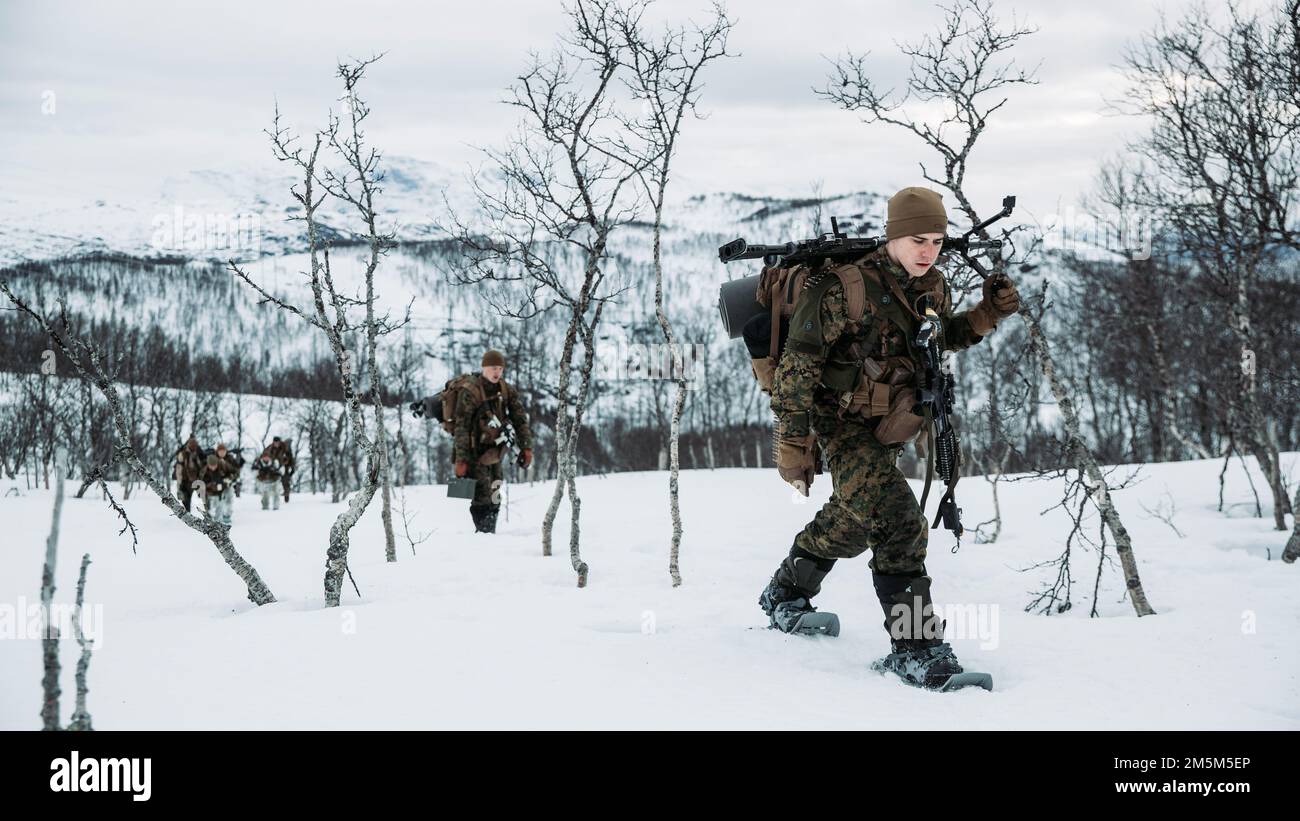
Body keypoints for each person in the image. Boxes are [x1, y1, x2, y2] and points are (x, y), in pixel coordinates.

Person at [761, 186, 1021, 688]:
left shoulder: (934, 286)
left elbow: (941, 339)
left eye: (938, 242)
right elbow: (797, 368)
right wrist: (792, 445)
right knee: (900, 523)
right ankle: (916, 648)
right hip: (840, 425)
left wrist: (989, 314)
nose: (928, 252)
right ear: (894, 235)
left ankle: (785, 593)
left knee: (855, 521)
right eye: (917, 240)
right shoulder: (844, 288)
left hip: (890, 425)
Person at [453, 349, 533, 533]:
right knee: (480, 495)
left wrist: (526, 447)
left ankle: (489, 534)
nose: (496, 372)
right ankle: (483, 536)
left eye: (499, 368)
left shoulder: (505, 390)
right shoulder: (470, 391)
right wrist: (461, 459)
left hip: (496, 451)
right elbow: (461, 427)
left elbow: (520, 419)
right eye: (492, 368)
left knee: (496, 489)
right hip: (472, 452)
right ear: (484, 368)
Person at [199, 451, 235, 527]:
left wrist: (228, 480)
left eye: (214, 465)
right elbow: (201, 484)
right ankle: (209, 518)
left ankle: (222, 518)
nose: (213, 467)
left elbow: (233, 472)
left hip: (224, 487)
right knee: (209, 505)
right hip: (211, 490)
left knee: (222, 502)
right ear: (208, 465)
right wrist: (210, 486)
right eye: (211, 466)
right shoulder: (204, 471)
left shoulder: (223, 465)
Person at [173, 435, 206, 512]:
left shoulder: (200, 453)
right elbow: (179, 470)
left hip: (197, 480)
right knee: (186, 501)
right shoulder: (183, 454)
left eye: (195, 446)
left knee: (205, 498)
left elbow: (204, 467)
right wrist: (179, 485)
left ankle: (209, 515)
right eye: (192, 445)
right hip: (185, 482)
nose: (194, 447)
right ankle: (188, 517)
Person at [266, 436, 295, 503]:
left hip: (285, 465)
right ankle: (272, 495)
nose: (276, 444)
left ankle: (286, 495)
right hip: (274, 466)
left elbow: (290, 457)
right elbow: (266, 454)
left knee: (285, 480)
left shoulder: (285, 448)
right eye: (275, 442)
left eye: (277, 442)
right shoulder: (270, 448)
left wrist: (292, 467)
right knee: (272, 481)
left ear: (279, 442)